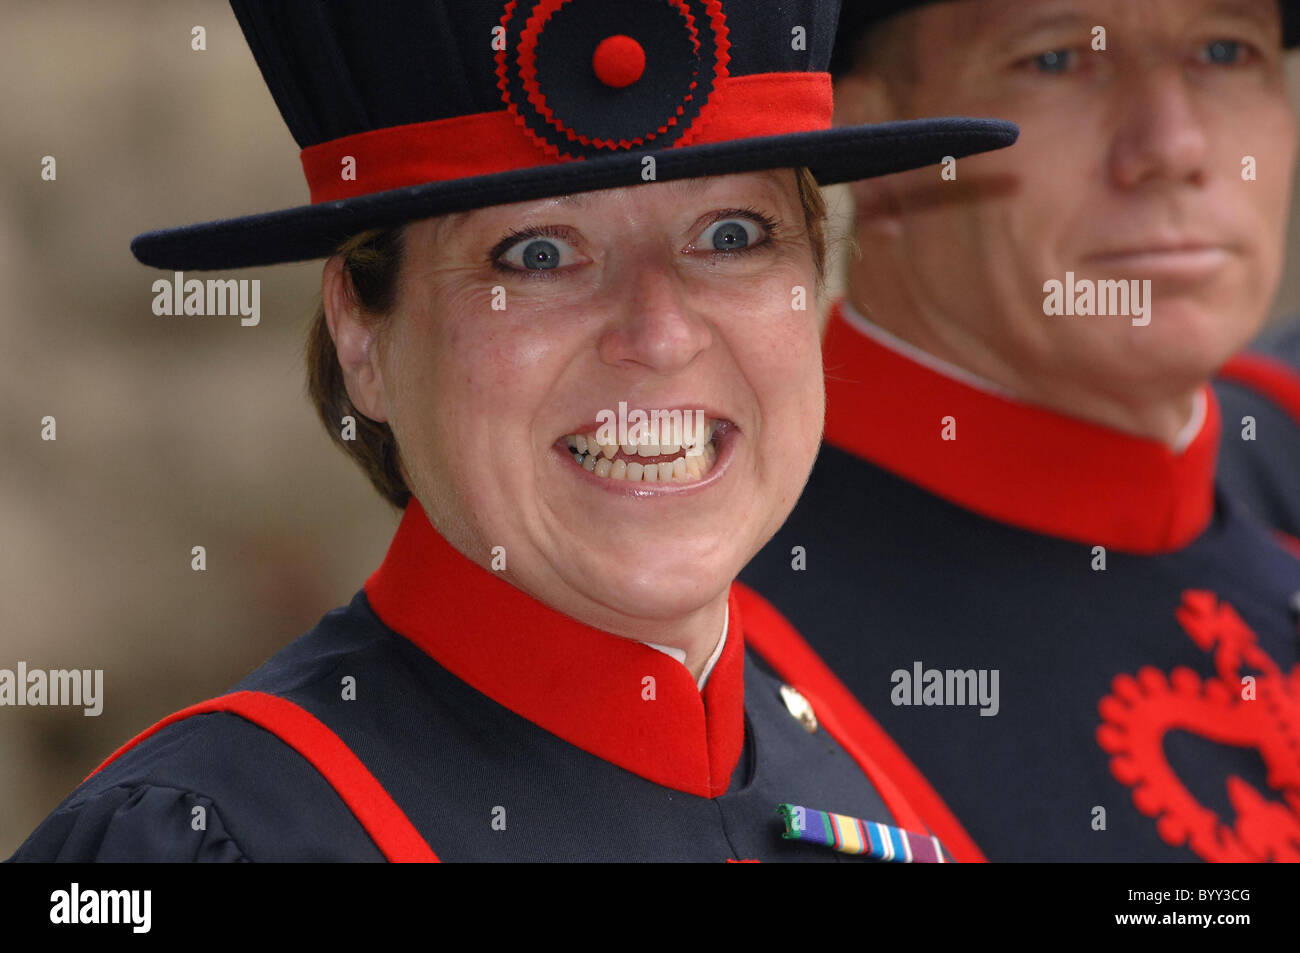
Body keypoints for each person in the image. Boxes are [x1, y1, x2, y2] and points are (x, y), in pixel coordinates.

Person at [6, 0, 1015, 862]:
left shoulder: (872, 777)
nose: (659, 335)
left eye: (731, 235)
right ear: (362, 333)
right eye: (537, 252)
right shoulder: (210, 837)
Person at [740, 0, 1300, 862]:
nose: (1173, 146)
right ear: (881, 146)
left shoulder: (1273, 505)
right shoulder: (717, 636)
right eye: (1057, 60)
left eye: (1225, 51)